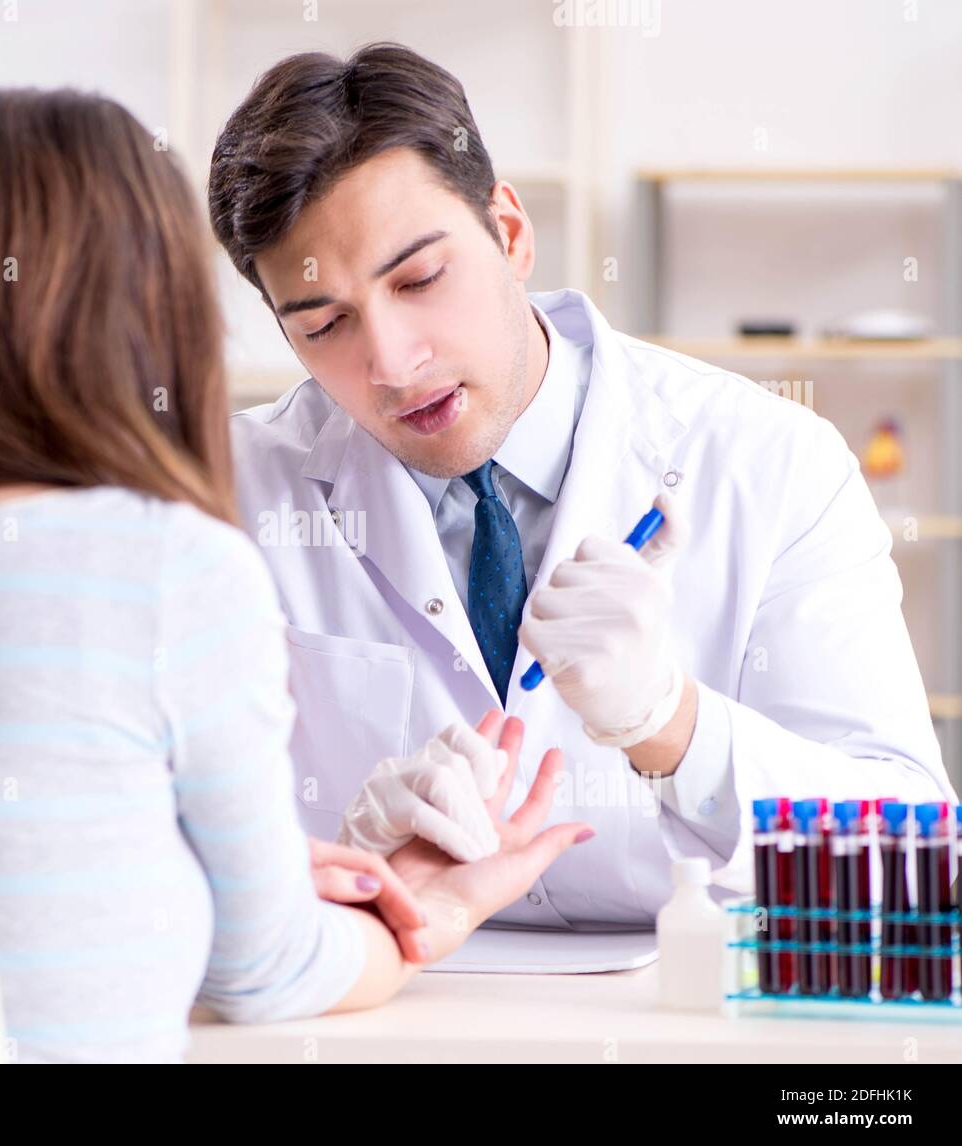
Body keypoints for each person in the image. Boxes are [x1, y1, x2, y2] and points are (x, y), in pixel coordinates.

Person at [0, 89, 592, 1062]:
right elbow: (264, 971)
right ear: (156, 320)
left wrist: (218, 881)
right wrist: (429, 911)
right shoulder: (165, 568)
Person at [208, 42, 956, 921]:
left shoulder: (772, 462)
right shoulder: (227, 491)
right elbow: (147, 863)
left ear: (511, 233)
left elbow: (921, 865)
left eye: (420, 278)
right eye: (325, 323)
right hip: (391, 1021)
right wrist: (333, 866)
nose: (393, 363)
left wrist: (670, 723)